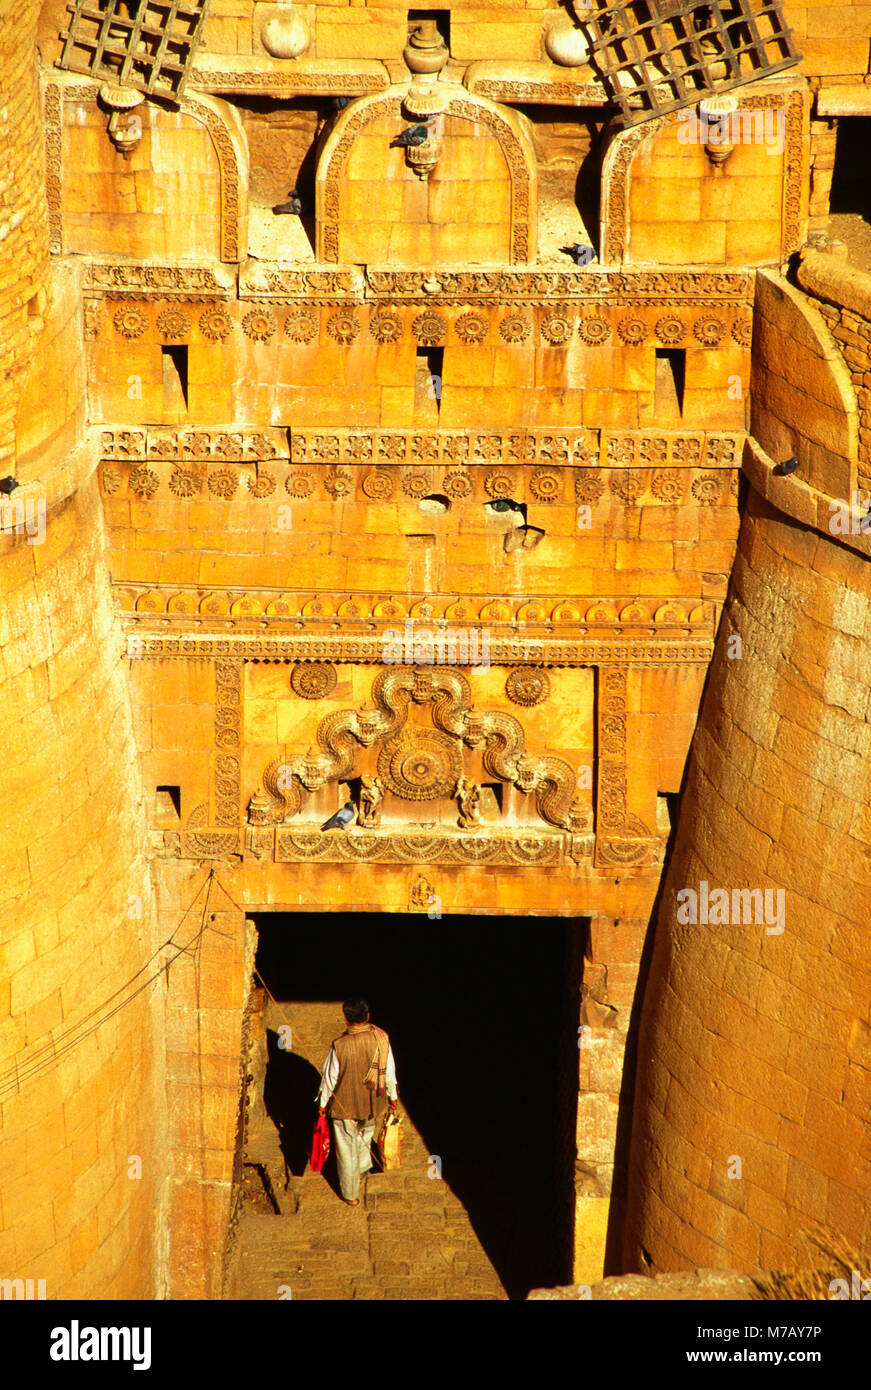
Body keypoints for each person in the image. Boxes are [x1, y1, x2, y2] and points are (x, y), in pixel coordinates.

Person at [317, 998, 399, 1206]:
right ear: (368, 1016)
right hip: (373, 1100)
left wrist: (323, 1103)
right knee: (366, 1132)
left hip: (345, 1105)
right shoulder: (381, 1039)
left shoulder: (339, 1046)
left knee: (346, 1148)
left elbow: (329, 1078)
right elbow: (389, 1072)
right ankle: (363, 1168)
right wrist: (393, 1097)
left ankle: (350, 1192)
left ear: (345, 1019)